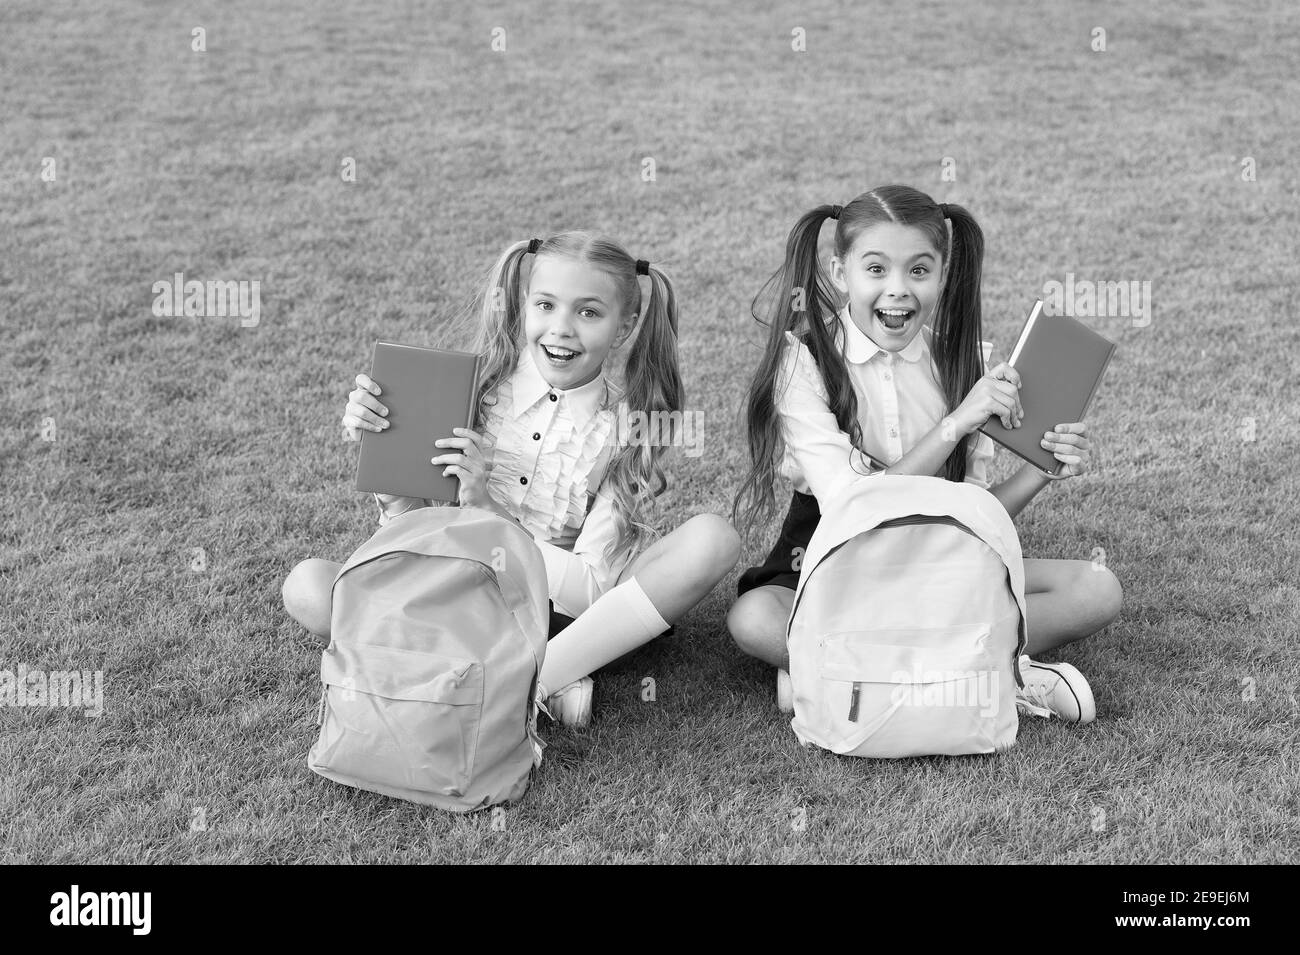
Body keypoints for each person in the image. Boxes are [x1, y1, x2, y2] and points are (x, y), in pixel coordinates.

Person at [283, 231, 740, 726]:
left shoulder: (626, 429)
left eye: (588, 313)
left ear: (625, 325)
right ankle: (517, 679)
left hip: (549, 617)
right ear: (523, 305)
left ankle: (521, 681)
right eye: (546, 305)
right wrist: (385, 454)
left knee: (713, 539)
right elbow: (405, 530)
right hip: (448, 592)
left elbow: (589, 593)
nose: (561, 329)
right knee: (308, 585)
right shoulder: (471, 390)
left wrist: (486, 510)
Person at [728, 185, 1122, 724]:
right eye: (876, 269)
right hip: (831, 561)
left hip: (938, 564)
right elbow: (850, 505)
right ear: (840, 273)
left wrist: (1040, 472)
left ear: (942, 273)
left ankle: (841, 676)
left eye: (919, 270)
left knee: (1095, 589)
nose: (898, 290)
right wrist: (957, 422)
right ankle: (998, 674)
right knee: (752, 616)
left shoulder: (963, 365)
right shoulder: (802, 362)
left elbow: (977, 514)